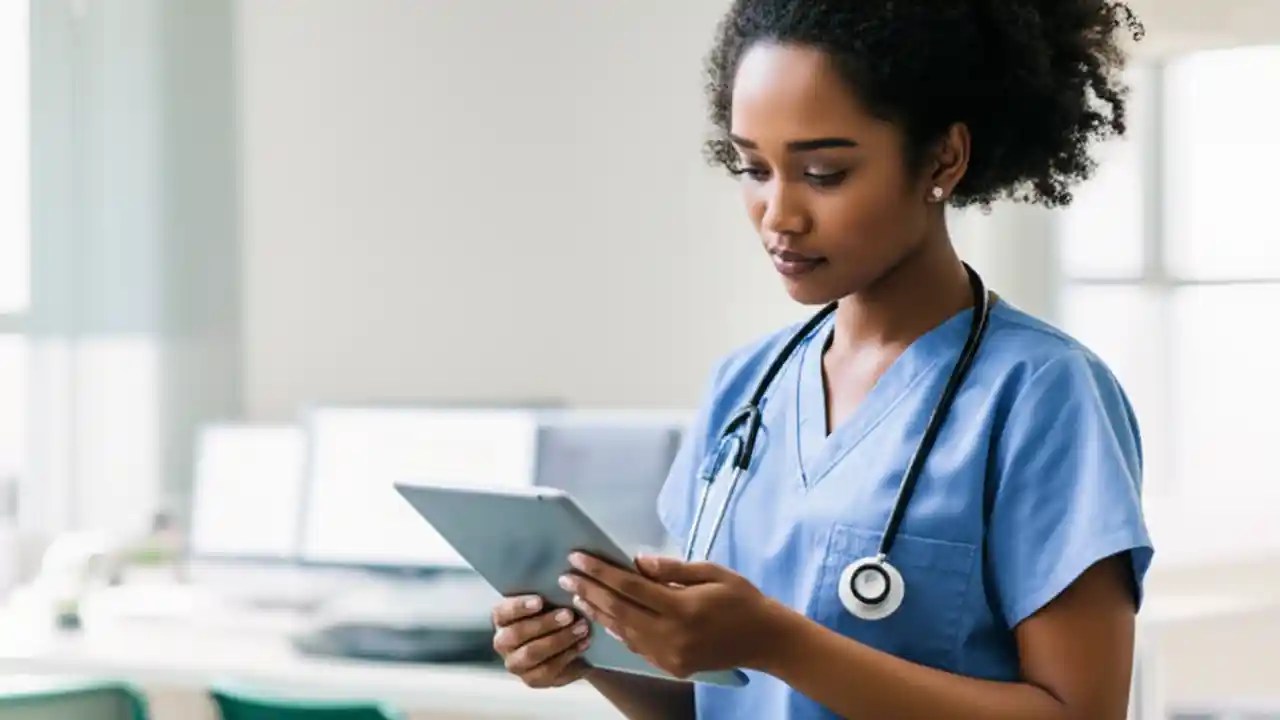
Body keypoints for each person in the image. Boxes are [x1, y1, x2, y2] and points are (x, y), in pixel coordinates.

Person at [490, 1, 1155, 717]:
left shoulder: (1043, 394)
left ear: (943, 157)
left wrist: (780, 643)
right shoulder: (744, 388)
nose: (779, 214)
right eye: (752, 167)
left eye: (824, 172)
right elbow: (711, 704)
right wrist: (589, 653)